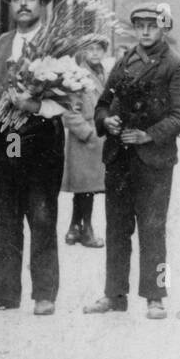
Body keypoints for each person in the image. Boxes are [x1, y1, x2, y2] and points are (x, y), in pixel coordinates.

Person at [85, 3, 180, 320]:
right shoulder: (123, 62)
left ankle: (156, 297)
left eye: (153, 25)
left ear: (164, 28)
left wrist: (149, 135)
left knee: (153, 229)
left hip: (154, 161)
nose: (145, 30)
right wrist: (107, 123)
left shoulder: (176, 65)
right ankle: (114, 295)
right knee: (117, 229)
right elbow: (103, 104)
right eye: (140, 25)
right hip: (119, 158)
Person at [0, 0, 65, 316]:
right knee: (3, 217)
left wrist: (36, 107)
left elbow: (69, 100)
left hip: (41, 142)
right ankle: (4, 293)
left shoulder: (56, 45)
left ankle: (44, 293)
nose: (23, 4)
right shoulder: (1, 43)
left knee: (40, 215)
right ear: (10, 5)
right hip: (5, 141)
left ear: (41, 3)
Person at [61, 36, 110, 248]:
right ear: (84, 52)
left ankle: (73, 228)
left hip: (96, 139)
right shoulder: (77, 76)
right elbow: (69, 113)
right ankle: (86, 231)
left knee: (86, 189)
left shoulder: (103, 74)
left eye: (99, 49)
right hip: (85, 140)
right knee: (86, 188)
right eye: (90, 49)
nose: (95, 53)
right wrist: (88, 134)